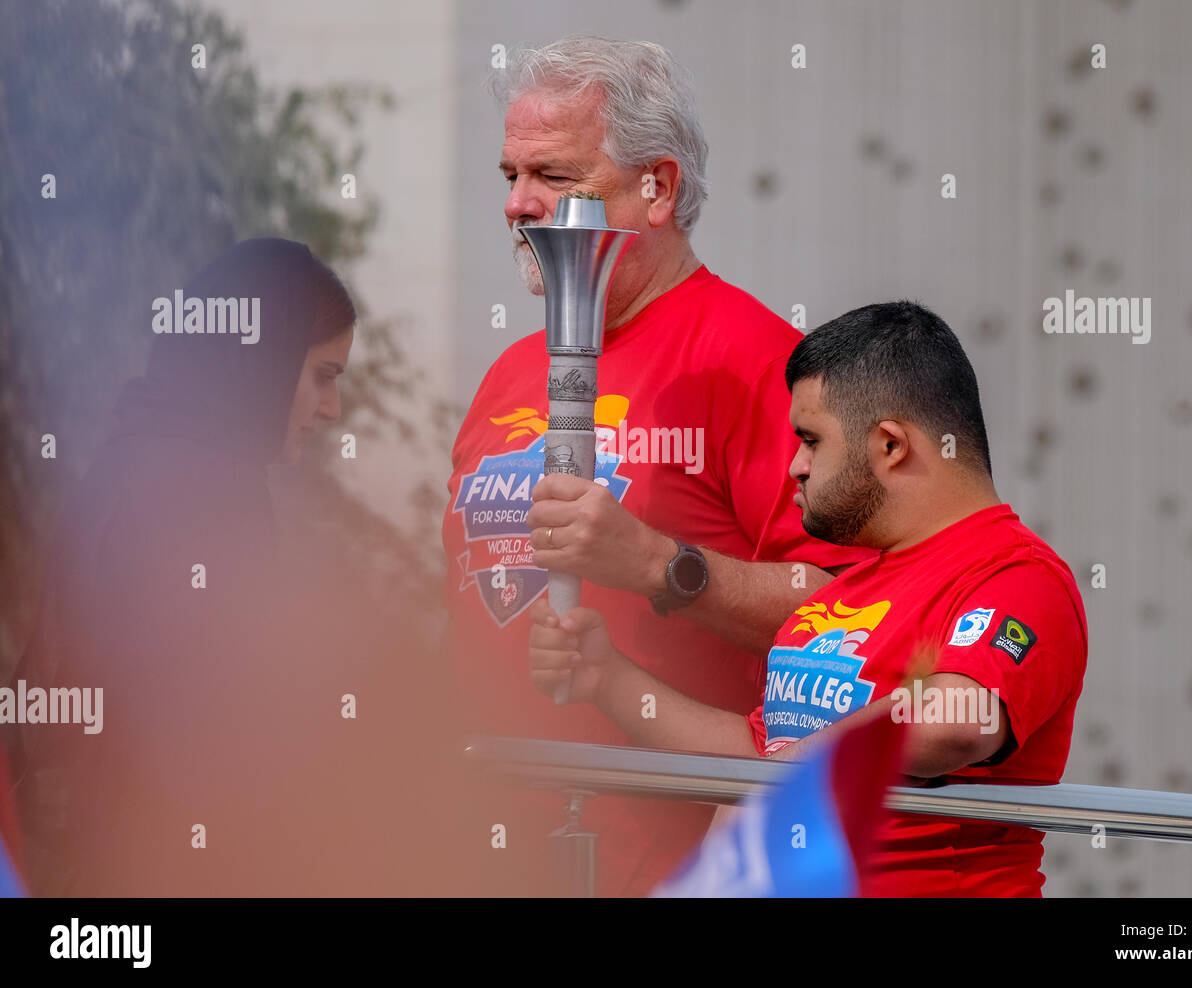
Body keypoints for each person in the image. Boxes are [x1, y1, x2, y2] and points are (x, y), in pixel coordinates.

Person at [442, 36, 867, 896]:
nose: (518, 205)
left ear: (657, 188)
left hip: (672, 863)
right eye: (508, 176)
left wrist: (655, 566)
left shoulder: (757, 364)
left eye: (555, 178)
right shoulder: (506, 377)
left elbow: (854, 618)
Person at [530, 301, 1089, 897]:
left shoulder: (1017, 576)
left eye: (810, 440)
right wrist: (609, 679)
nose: (795, 466)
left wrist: (793, 768)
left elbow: (958, 719)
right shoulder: (848, 588)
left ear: (891, 445)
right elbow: (759, 751)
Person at [7, 237, 358, 894]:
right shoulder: (210, 494)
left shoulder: (130, 461)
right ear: (264, 357)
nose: (332, 409)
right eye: (322, 376)